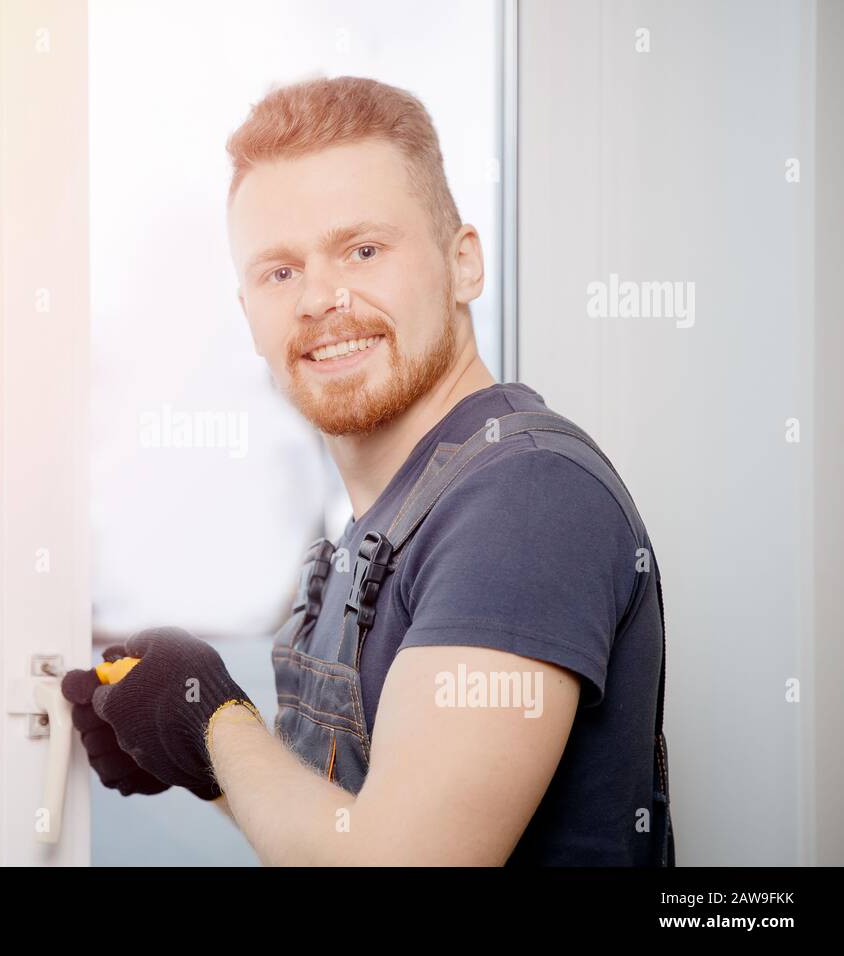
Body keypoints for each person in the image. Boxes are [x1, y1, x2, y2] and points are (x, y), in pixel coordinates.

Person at [62, 76, 672, 866]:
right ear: (249, 315)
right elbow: (346, 824)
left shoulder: (524, 502)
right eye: (279, 272)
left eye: (363, 250)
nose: (322, 297)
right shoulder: (380, 529)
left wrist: (216, 723)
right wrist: (195, 756)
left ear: (464, 266)